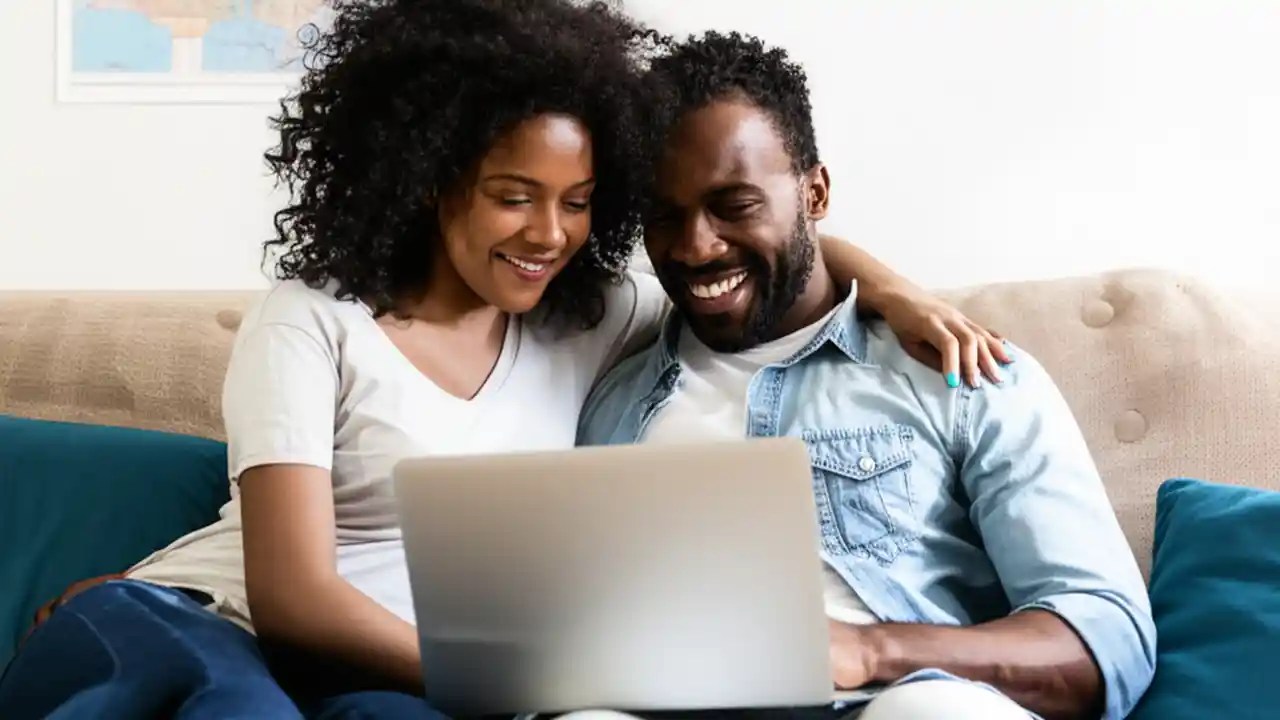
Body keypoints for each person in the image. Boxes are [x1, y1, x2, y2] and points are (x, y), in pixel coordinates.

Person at [0, 3, 1009, 719]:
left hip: (387, 682)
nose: (549, 233)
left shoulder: (582, 322)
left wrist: (891, 286)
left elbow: (751, 252)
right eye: (513, 194)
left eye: (577, 202)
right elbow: (294, 597)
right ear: (437, 180)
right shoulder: (313, 321)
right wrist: (514, 678)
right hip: (203, 623)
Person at [576, 32, 1156, 720]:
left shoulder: (961, 372)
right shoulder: (611, 394)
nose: (695, 247)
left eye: (735, 206)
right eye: (665, 218)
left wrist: (872, 650)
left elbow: (1104, 635)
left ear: (814, 192)